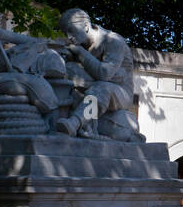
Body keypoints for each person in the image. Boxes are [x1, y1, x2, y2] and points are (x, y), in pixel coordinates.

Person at [53, 8, 143, 141]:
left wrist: (80, 54)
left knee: (101, 88)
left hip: (120, 93)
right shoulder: (81, 45)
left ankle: (74, 123)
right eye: (65, 33)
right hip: (94, 87)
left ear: (85, 26)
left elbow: (104, 73)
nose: (69, 37)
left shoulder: (113, 41)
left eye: (71, 31)